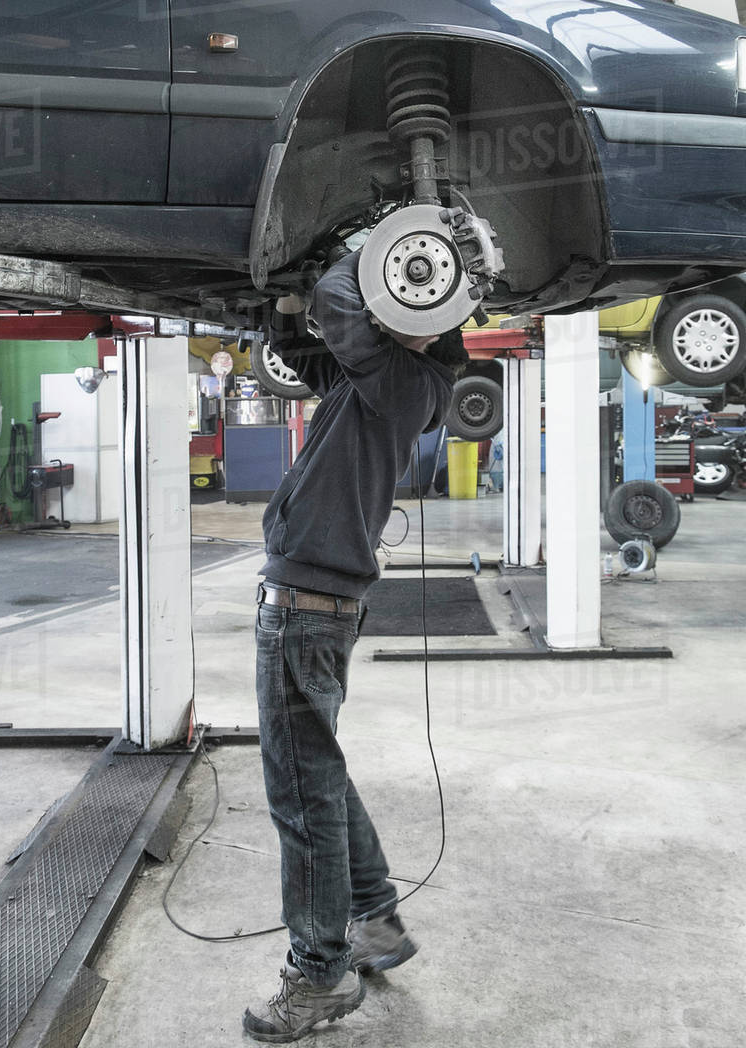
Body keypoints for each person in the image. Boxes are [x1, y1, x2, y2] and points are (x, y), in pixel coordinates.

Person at [243, 249, 467, 1043]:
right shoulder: (376, 384)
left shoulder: (402, 382)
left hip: (305, 612)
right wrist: (278, 302)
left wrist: (350, 250)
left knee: (302, 799)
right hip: (315, 606)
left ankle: (318, 976)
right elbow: (304, 352)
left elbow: (340, 303)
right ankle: (375, 920)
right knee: (320, 777)